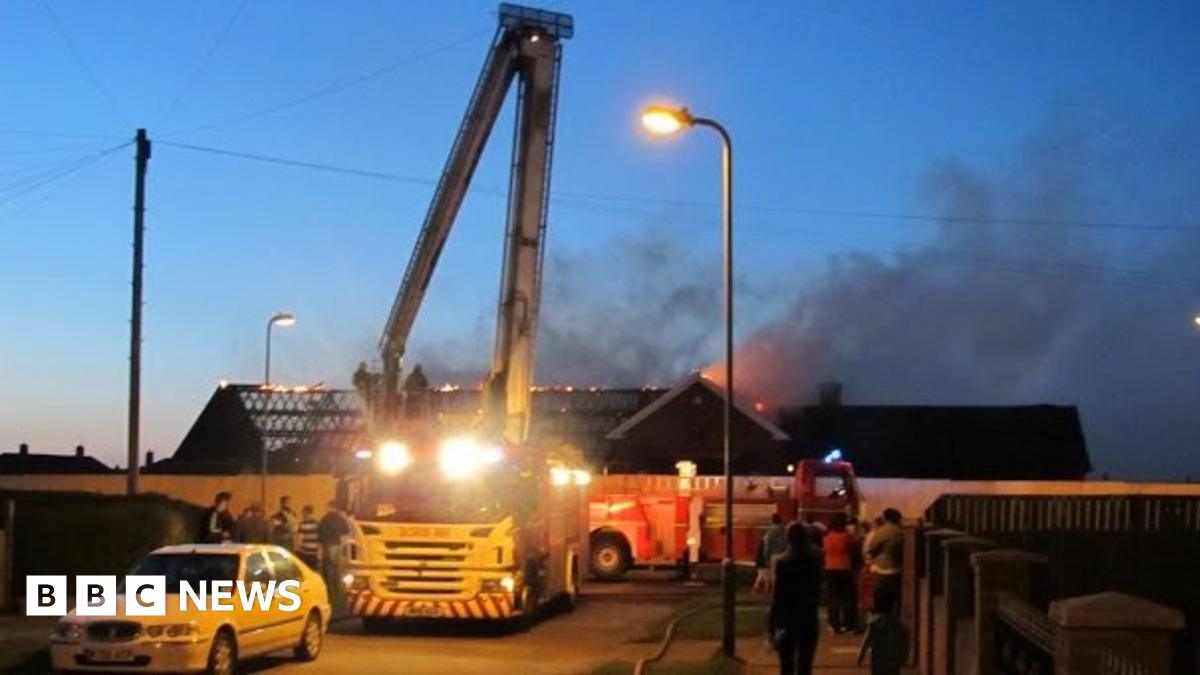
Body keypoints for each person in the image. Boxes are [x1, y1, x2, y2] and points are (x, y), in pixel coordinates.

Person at [768, 522, 824, 675]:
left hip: (787, 620)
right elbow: (818, 592)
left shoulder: (782, 564)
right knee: (805, 665)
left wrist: (772, 626)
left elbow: (778, 597)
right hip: (808, 618)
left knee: (786, 665)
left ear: (788, 539)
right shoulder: (814, 563)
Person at [856, 592, 908, 675]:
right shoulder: (897, 624)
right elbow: (904, 642)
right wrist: (904, 657)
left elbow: (866, 641)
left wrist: (860, 657)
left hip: (878, 659)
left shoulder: (874, 623)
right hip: (893, 659)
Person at [864, 508, 904, 613]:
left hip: (882, 569)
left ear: (885, 518)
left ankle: (880, 624)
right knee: (894, 601)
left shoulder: (883, 531)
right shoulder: (901, 531)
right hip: (898, 569)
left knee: (880, 602)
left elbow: (870, 547)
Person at [823, 513, 857, 634]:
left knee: (832, 598)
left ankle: (833, 624)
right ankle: (847, 624)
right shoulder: (847, 537)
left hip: (830, 568)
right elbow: (853, 550)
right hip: (845, 568)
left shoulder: (827, 537)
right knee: (848, 597)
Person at [317, 501, 351, 593]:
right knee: (336, 566)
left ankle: (329, 587)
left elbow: (320, 533)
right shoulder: (341, 518)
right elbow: (346, 531)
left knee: (328, 566)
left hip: (328, 544)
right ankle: (337, 587)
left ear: (329, 507)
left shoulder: (325, 518)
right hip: (337, 544)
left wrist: (320, 547)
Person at [297, 505, 321, 570]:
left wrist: (297, 549)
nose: (302, 514)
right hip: (314, 552)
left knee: (304, 571)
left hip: (305, 552)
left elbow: (300, 538)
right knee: (314, 571)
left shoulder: (302, 524)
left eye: (303, 512)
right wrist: (319, 551)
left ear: (305, 512)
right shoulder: (317, 524)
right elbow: (319, 538)